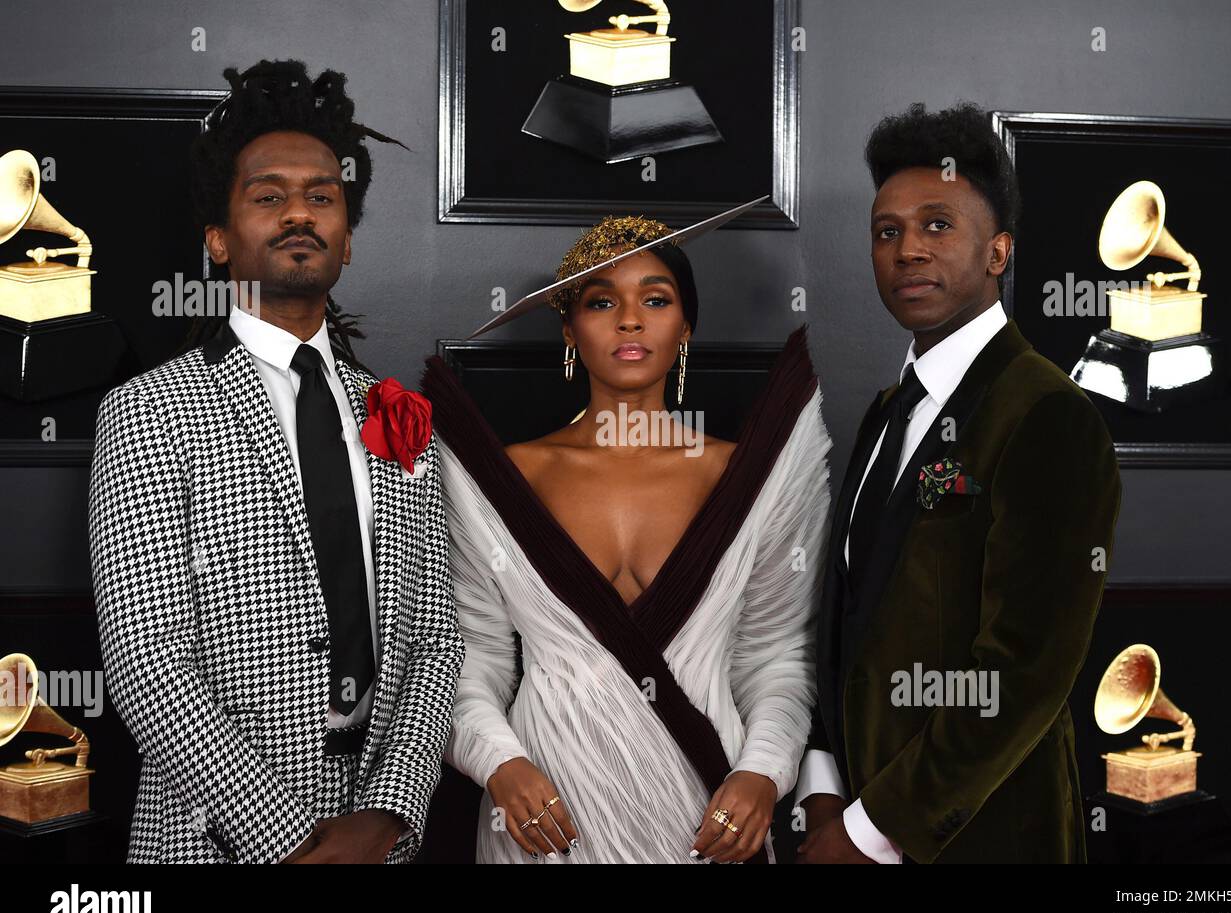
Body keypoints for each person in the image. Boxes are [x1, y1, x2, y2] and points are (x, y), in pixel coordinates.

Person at [88, 60, 464, 863]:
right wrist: (287, 841)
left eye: (321, 196)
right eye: (269, 196)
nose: (300, 211)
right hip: (217, 837)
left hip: (374, 836)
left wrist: (388, 817)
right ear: (219, 239)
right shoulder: (152, 408)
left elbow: (436, 638)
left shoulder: (396, 417)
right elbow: (146, 660)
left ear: (348, 238)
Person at [421, 215, 831, 863]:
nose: (630, 320)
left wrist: (763, 772)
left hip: (708, 809)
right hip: (546, 813)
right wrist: (500, 764)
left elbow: (774, 658)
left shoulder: (749, 475)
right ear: (568, 328)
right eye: (603, 300)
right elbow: (471, 659)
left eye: (656, 299)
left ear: (686, 327)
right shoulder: (505, 476)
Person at [795, 102, 1122, 864]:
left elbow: (1023, 671)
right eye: (888, 231)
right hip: (847, 818)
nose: (908, 249)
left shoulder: (1048, 414)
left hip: (985, 838)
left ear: (998, 252)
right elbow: (846, 619)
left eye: (937, 225)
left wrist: (871, 832)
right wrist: (821, 787)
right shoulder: (887, 414)